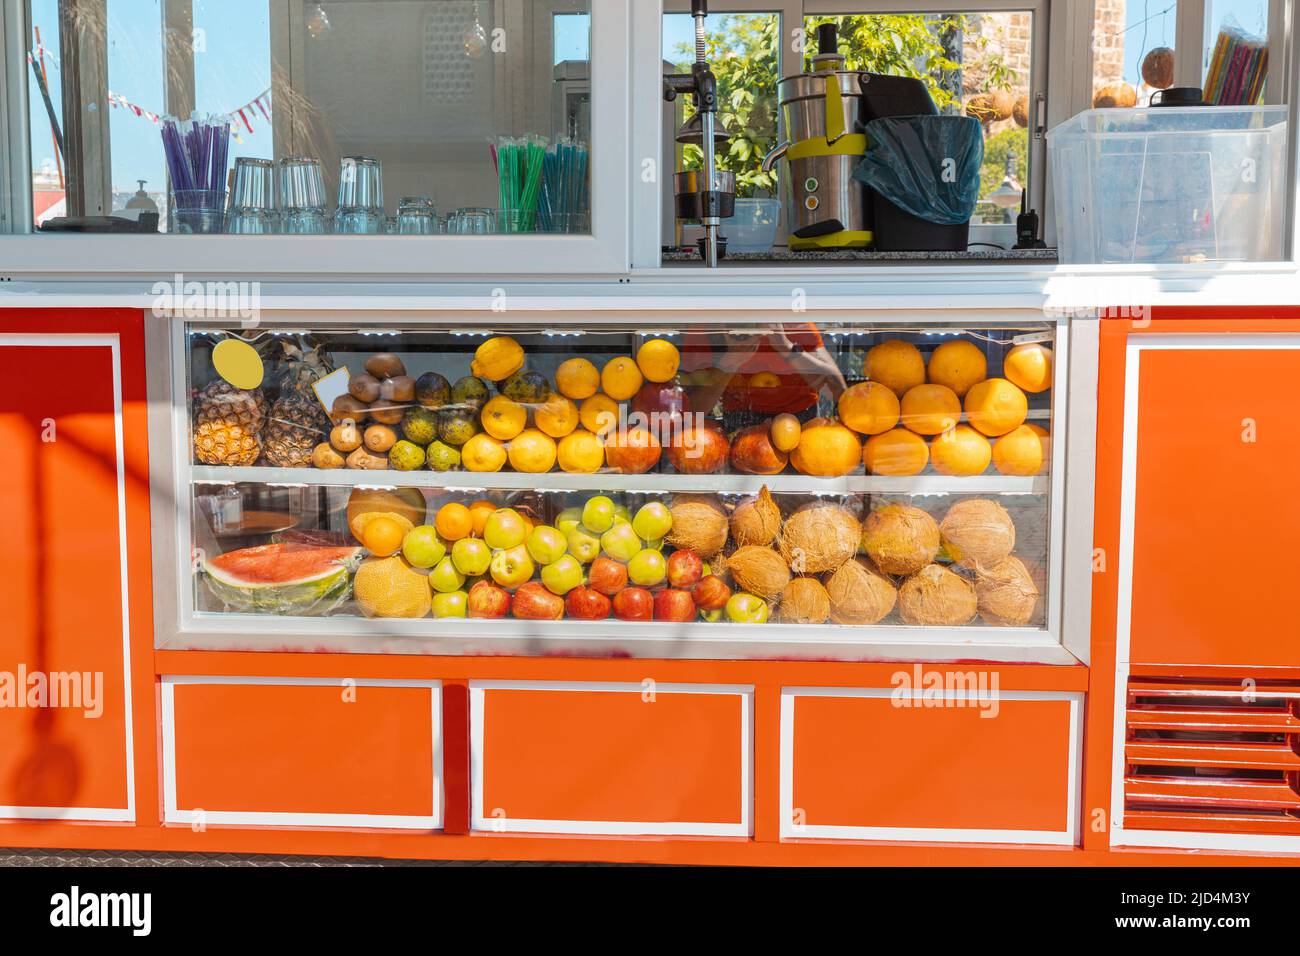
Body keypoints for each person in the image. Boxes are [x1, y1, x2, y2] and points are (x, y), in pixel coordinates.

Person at [681, 322, 848, 432]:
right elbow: (694, 409)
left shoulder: (795, 323)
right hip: (740, 415)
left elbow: (839, 393)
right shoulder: (707, 328)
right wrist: (729, 362)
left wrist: (786, 347)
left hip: (799, 415)